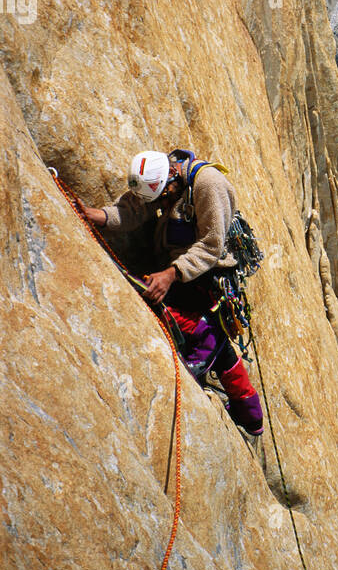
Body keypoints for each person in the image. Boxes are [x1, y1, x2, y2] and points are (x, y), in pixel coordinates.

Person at [79, 149, 263, 436]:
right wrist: (98, 216)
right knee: (222, 350)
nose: (162, 203)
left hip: (208, 274)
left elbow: (212, 245)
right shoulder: (159, 180)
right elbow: (131, 211)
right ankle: (251, 416)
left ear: (172, 176)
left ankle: (242, 403)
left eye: (164, 197)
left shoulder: (208, 184)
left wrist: (171, 274)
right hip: (179, 268)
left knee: (200, 330)